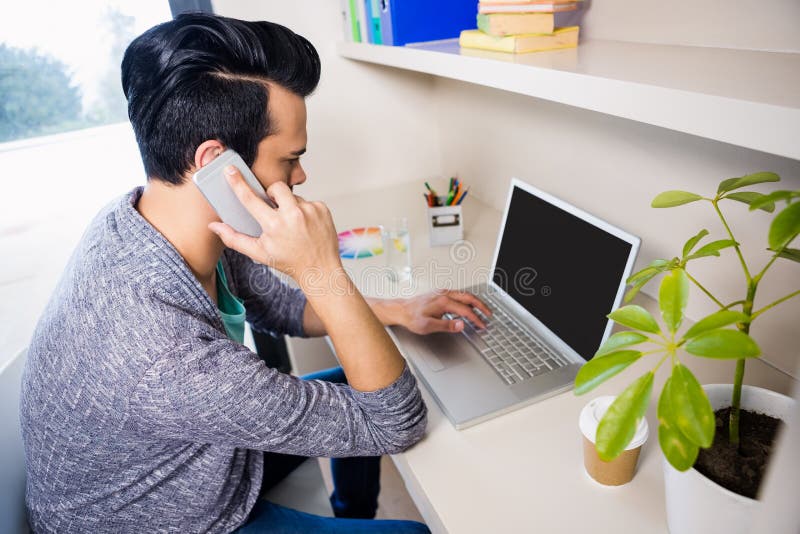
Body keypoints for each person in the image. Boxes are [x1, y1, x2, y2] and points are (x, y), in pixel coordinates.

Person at [20, 13, 491, 533]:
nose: (302, 175)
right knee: (416, 530)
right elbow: (394, 422)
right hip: (165, 522)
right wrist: (321, 268)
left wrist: (396, 309)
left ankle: (350, 515)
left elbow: (276, 306)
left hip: (190, 458)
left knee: (353, 381)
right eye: (291, 158)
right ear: (218, 164)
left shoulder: (147, 218)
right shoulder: (164, 356)